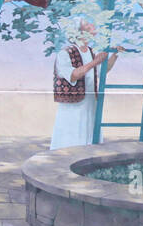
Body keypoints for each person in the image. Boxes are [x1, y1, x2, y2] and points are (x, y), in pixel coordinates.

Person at [51, 16, 120, 150]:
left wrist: (114, 55)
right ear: (79, 32)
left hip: (89, 102)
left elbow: (101, 72)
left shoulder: (91, 52)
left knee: (89, 135)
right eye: (88, 25)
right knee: (72, 137)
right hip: (73, 106)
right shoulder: (65, 53)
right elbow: (73, 75)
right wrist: (95, 62)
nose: (92, 26)